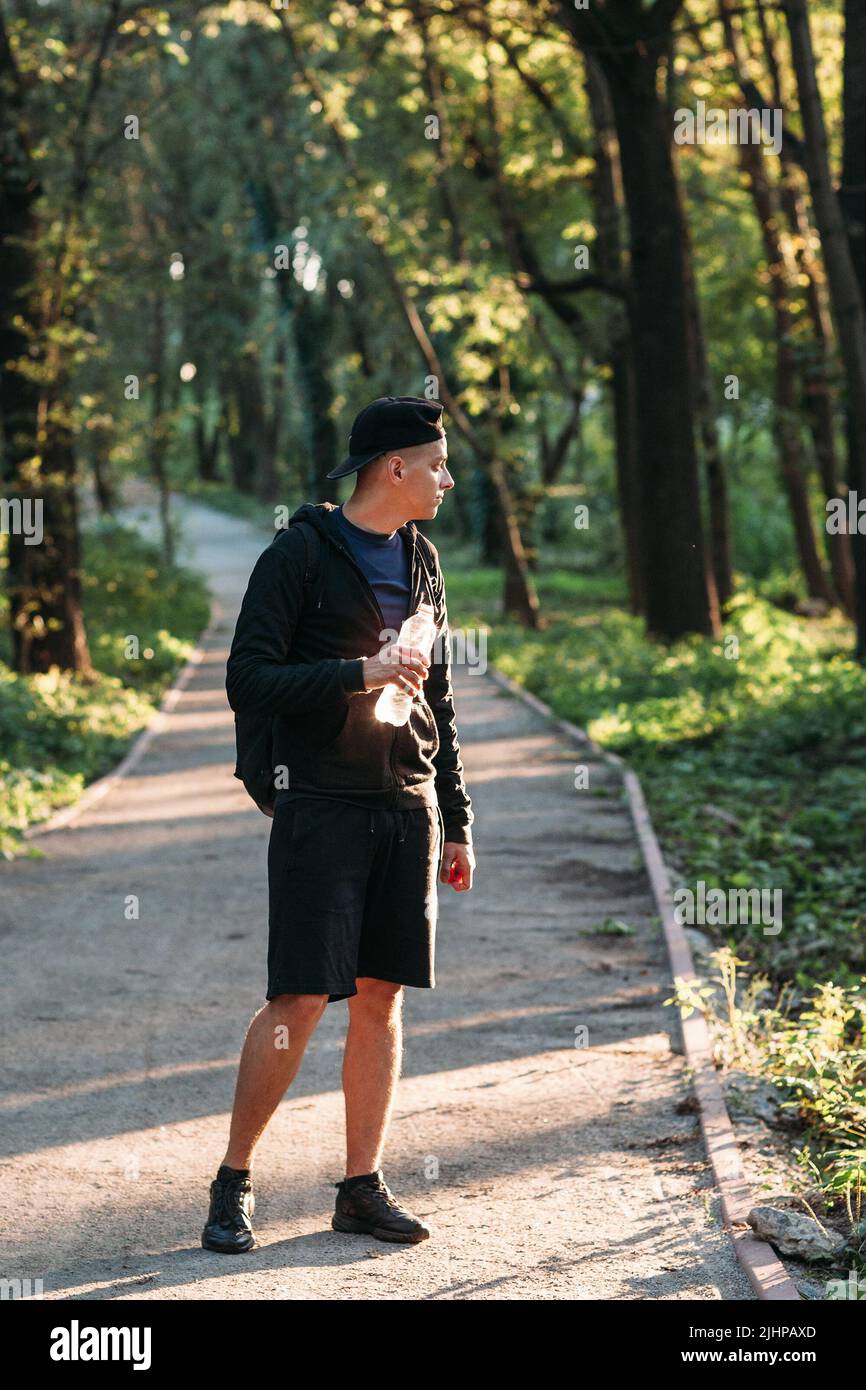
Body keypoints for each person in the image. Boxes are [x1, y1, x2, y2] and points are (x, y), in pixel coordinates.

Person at [202, 395, 475, 1252]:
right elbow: (248, 680)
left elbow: (441, 695)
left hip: (408, 801)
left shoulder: (422, 556)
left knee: (382, 995)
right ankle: (233, 1181)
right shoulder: (298, 556)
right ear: (394, 468)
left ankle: (360, 1188)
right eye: (436, 463)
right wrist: (359, 670)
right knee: (299, 997)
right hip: (321, 799)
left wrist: (458, 815)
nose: (447, 477)